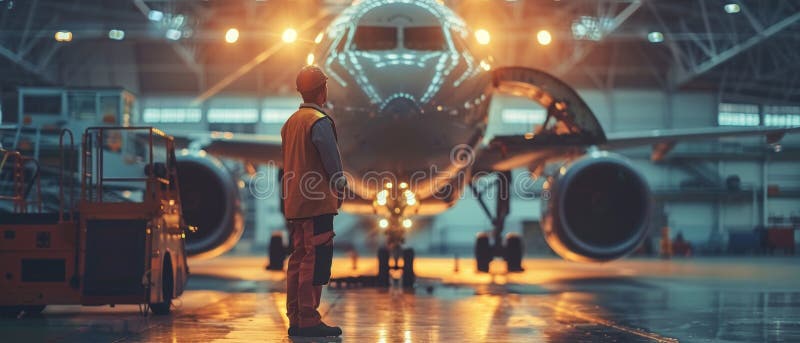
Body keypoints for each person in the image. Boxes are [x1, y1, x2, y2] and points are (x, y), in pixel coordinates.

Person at [281, 65, 347, 338]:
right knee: (315, 259)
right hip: (317, 204)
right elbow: (331, 159)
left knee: (298, 259)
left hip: (296, 203)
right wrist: (341, 184)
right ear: (322, 90)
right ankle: (308, 319)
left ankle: (296, 317)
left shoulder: (291, 122)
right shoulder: (319, 121)